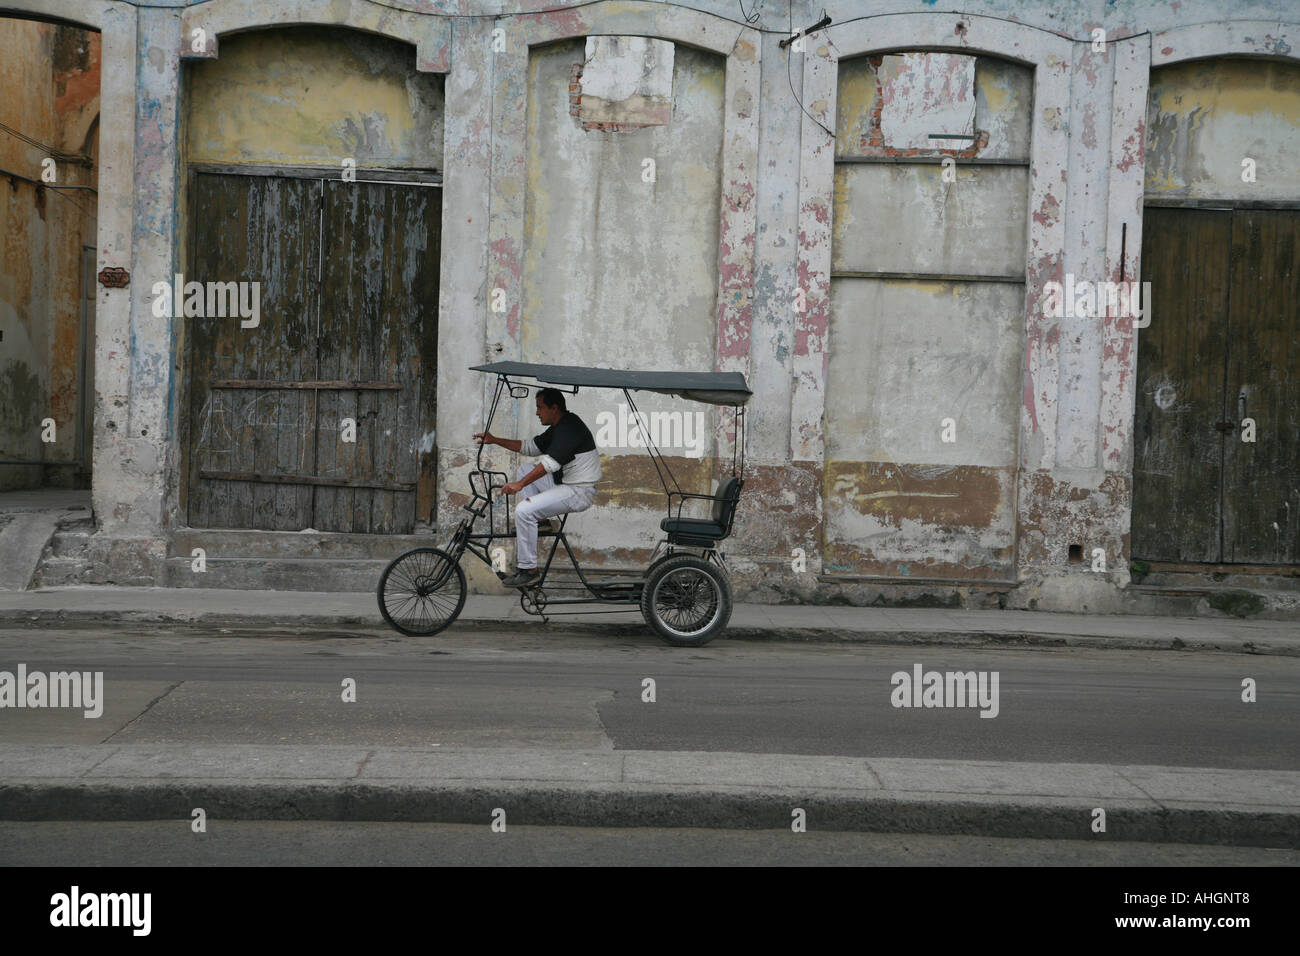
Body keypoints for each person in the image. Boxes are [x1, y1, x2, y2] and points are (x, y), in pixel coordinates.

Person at [473, 388, 601, 587]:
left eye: (540, 408)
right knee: (525, 469)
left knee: (523, 510)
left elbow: (550, 464)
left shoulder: (570, 429)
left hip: (578, 491)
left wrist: (520, 485)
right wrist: (495, 440)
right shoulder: (559, 425)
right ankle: (541, 522)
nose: (537, 412)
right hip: (567, 483)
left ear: (554, 408)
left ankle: (529, 570)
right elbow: (530, 447)